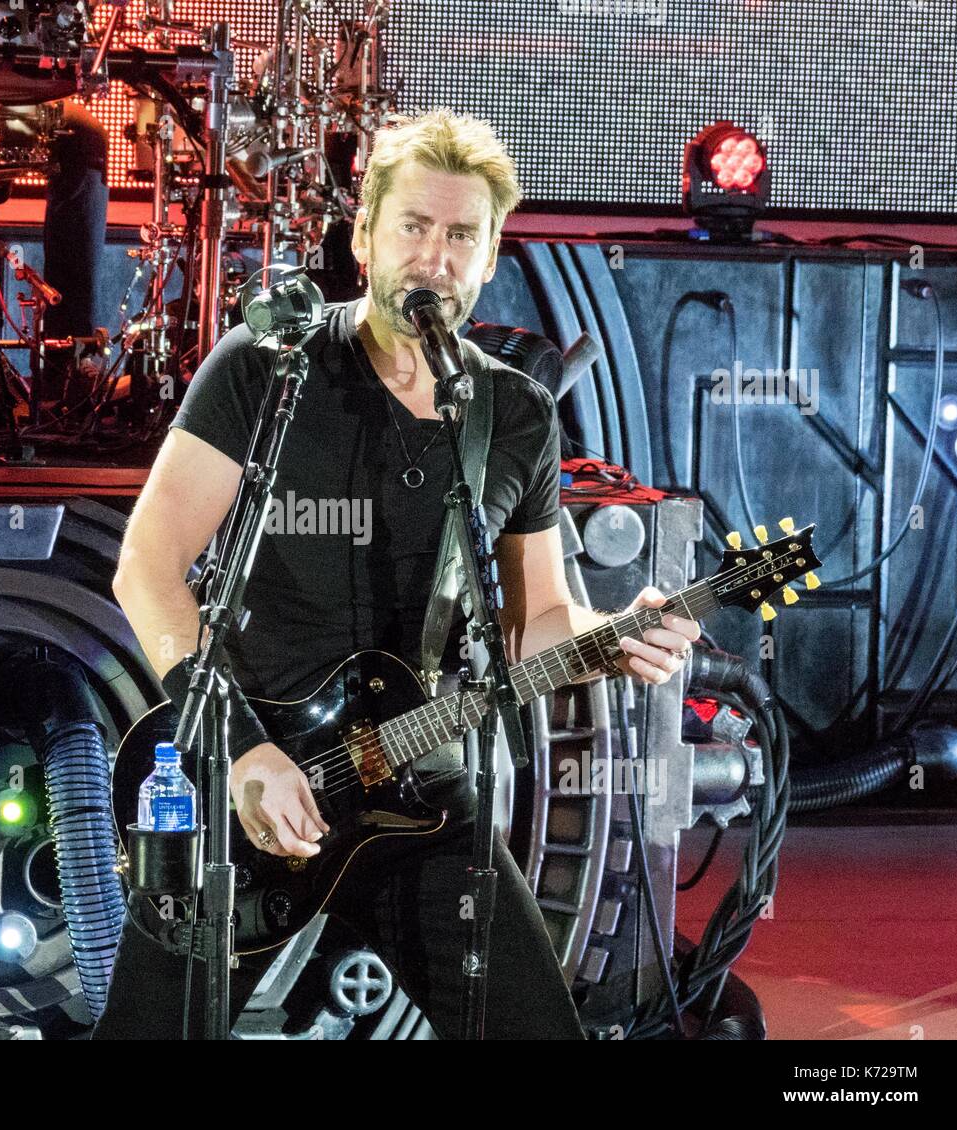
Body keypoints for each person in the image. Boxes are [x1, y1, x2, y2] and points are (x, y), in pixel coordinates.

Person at [98, 108, 700, 1040]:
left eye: (462, 235)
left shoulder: (513, 414)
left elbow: (538, 624)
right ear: (363, 237)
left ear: (492, 256)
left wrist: (617, 638)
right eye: (413, 227)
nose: (435, 257)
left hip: (414, 781)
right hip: (242, 774)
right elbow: (146, 566)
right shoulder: (269, 368)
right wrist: (247, 747)